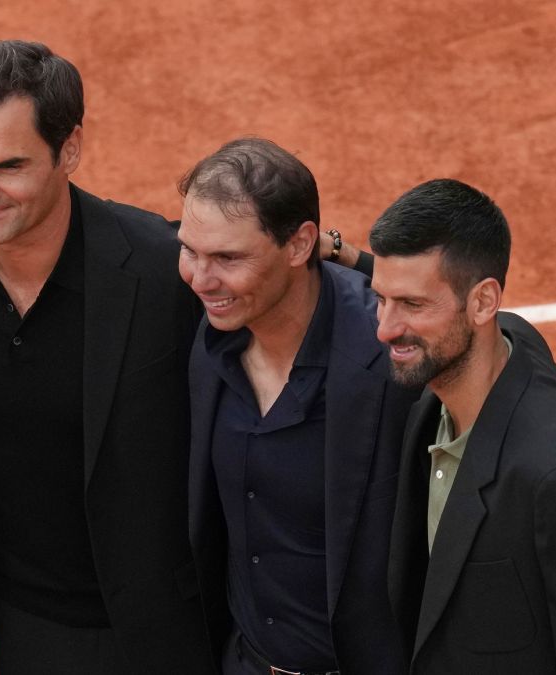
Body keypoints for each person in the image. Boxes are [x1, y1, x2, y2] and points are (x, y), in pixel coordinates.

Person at [0, 40, 215, 674]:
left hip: (164, 625)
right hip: (24, 623)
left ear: (69, 149)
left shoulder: (164, 271)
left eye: (9, 166)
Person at [370, 178, 556, 672]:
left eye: (411, 305)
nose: (385, 327)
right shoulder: (497, 347)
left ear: (483, 303)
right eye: (380, 298)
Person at [179, 138, 419, 674]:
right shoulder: (210, 338)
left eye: (227, 258)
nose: (200, 278)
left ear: (299, 244)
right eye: (190, 250)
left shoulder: (390, 360)